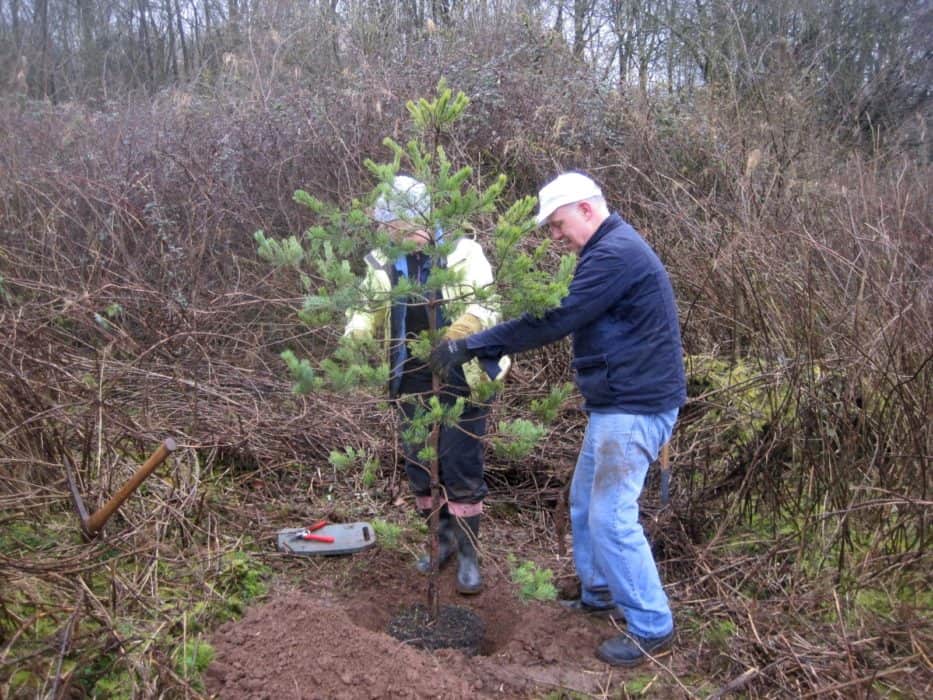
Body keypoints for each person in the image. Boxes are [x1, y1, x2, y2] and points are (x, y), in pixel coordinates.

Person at [430, 172, 686, 666]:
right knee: (585, 503)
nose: (555, 236)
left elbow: (557, 318)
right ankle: (599, 593)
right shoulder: (607, 250)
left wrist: (470, 344)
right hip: (618, 403)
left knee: (611, 515)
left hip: (635, 407)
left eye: (557, 224)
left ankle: (652, 624)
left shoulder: (615, 254)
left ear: (587, 210)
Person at [344, 175, 509, 594]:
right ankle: (443, 540)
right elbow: (368, 308)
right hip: (411, 378)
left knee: (459, 464)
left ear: (422, 219)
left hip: (462, 377)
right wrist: (355, 335)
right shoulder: (384, 262)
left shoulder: (462, 252)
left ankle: (470, 555)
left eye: (398, 228)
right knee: (420, 464)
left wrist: (461, 331)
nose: (394, 236)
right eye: (389, 230)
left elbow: (486, 302)